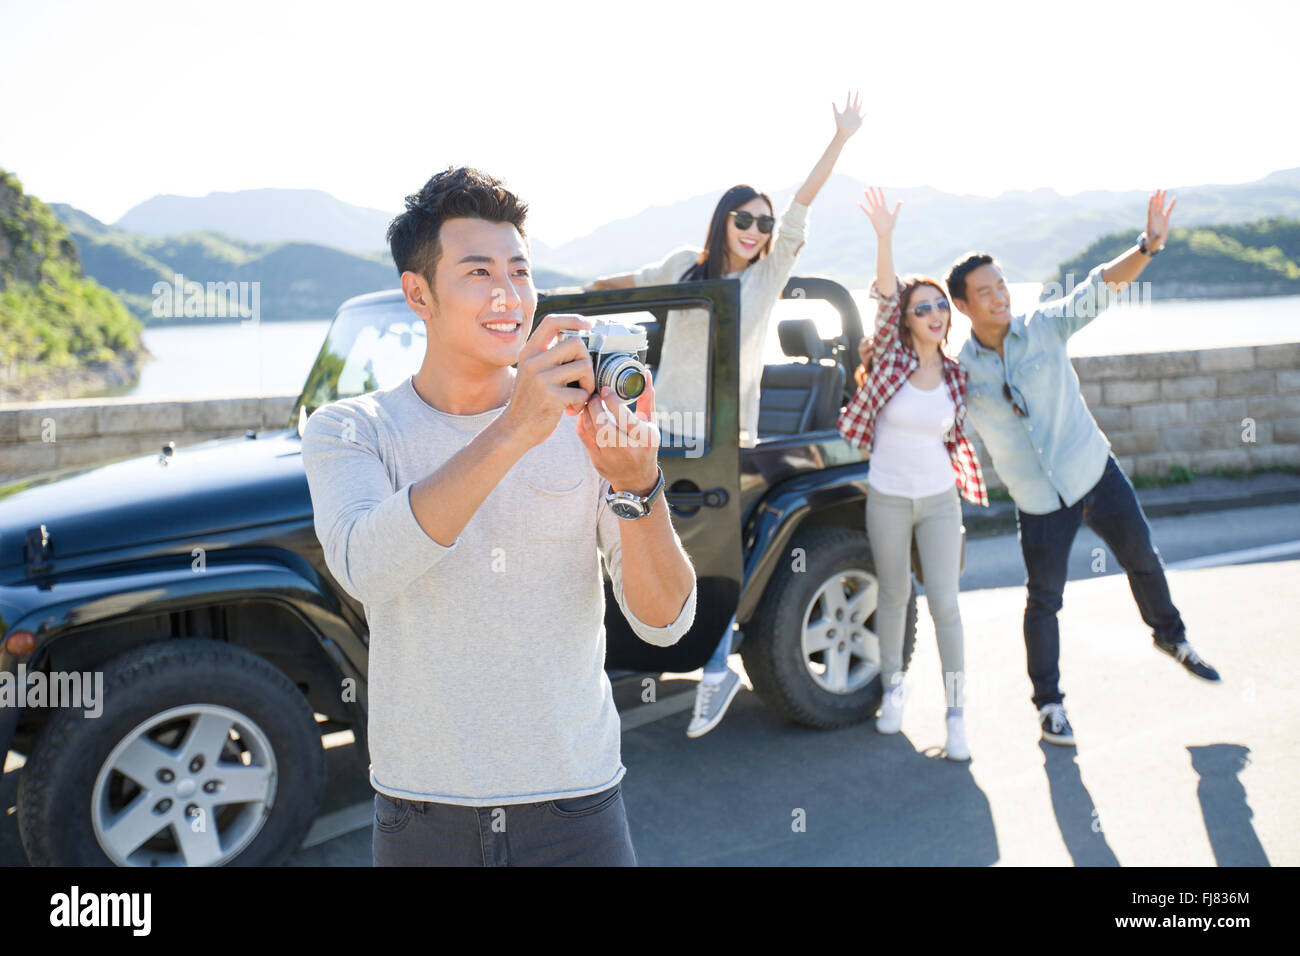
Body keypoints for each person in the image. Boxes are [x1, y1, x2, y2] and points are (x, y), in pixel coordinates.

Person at [300, 166, 697, 865]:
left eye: (519, 271)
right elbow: (368, 566)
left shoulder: (582, 425)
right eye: (478, 273)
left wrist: (639, 488)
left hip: (578, 806)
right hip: (423, 815)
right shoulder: (350, 430)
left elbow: (666, 623)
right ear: (418, 293)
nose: (508, 296)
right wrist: (514, 428)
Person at [589, 93, 864, 737]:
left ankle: (715, 665)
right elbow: (625, 286)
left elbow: (801, 207)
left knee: (710, 557)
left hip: (721, 439)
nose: (756, 230)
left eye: (763, 224)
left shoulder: (765, 279)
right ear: (724, 220)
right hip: (663, 433)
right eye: (745, 218)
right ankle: (618, 655)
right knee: (633, 540)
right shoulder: (685, 266)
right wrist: (550, 302)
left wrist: (840, 139)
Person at [946, 189, 1221, 748]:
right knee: (1043, 601)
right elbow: (925, 397)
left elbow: (1100, 288)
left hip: (1096, 472)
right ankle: (1049, 706)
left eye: (1001, 285)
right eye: (985, 292)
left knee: (1142, 557)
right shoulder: (960, 374)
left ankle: (1171, 636)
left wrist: (1147, 247)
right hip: (1039, 503)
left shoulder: (1045, 326)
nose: (998, 297)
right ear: (963, 306)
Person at [837, 189, 988, 760]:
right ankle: (893, 689)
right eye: (922, 307)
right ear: (906, 318)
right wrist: (884, 238)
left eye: (940, 306)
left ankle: (955, 716)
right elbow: (882, 294)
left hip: (940, 501)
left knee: (946, 605)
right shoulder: (893, 362)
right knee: (895, 594)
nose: (933, 314)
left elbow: (957, 437)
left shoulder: (954, 375)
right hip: (889, 499)